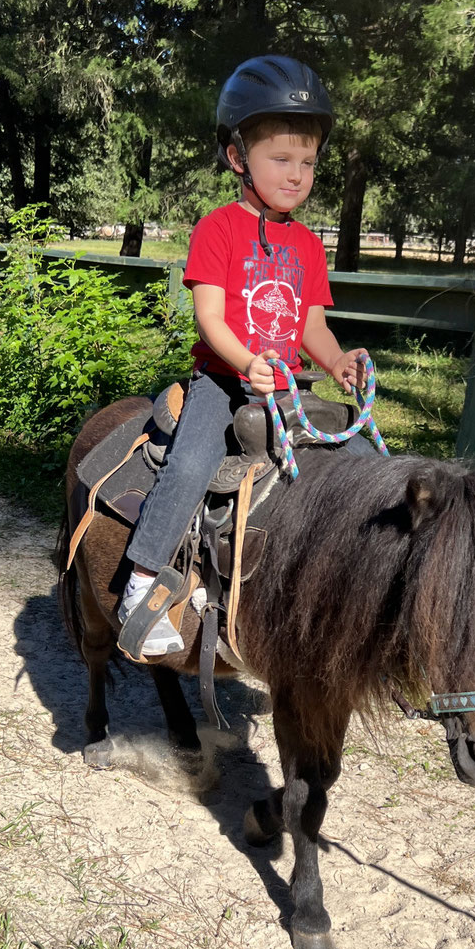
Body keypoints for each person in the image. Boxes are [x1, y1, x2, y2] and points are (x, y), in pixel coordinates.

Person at [118, 54, 368, 658]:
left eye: (307, 162)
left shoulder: (308, 246)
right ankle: (143, 582)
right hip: (223, 380)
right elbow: (209, 317)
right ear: (238, 157)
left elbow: (311, 325)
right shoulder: (218, 229)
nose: (297, 175)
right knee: (191, 462)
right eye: (280, 159)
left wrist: (336, 363)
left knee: (362, 465)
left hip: (287, 388)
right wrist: (245, 359)